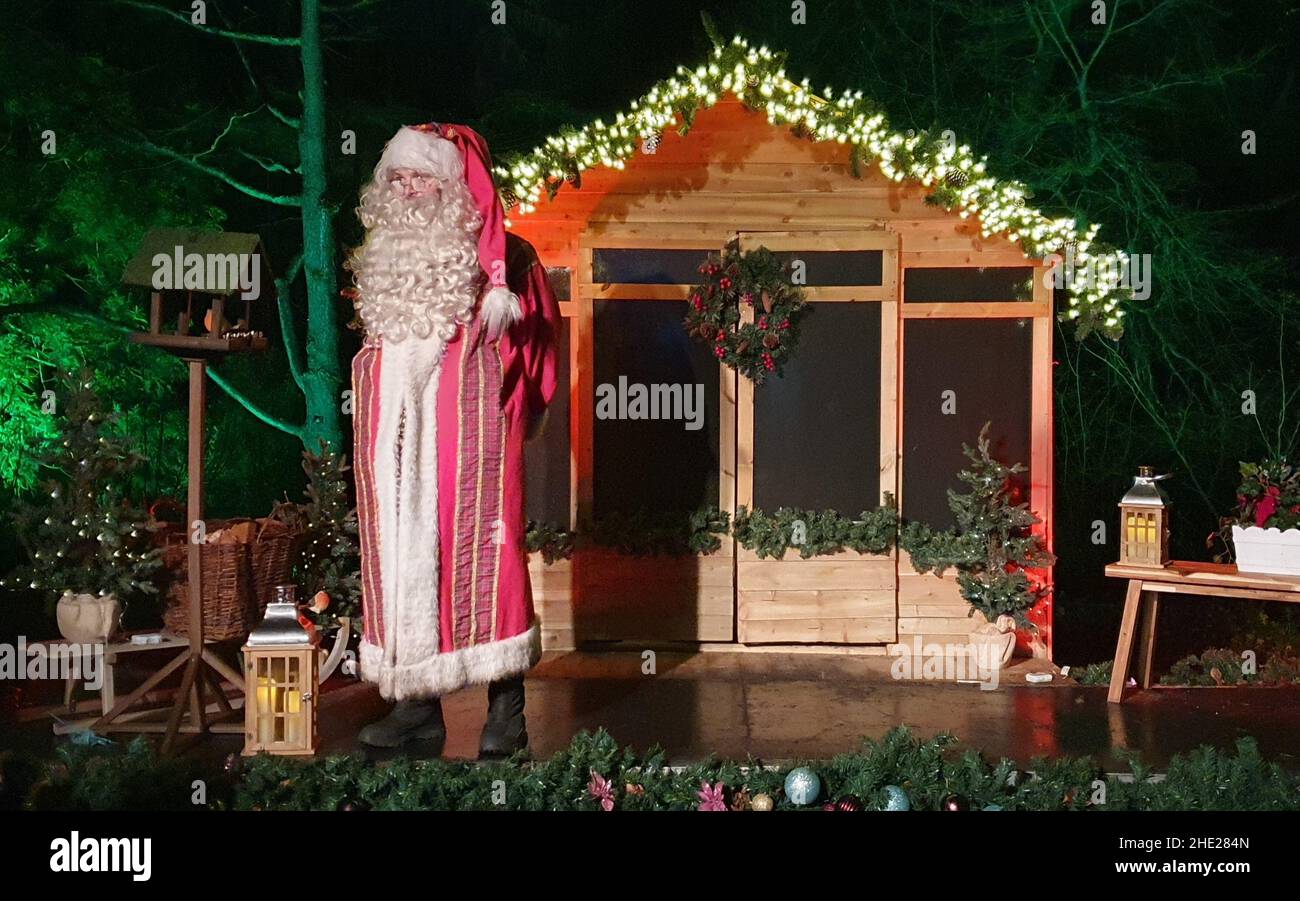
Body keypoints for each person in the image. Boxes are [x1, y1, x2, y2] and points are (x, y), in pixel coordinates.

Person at [346, 123, 559, 756]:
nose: (408, 189)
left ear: (453, 186)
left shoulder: (509, 259)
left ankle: (506, 714)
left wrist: (510, 412)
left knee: (489, 562)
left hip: (473, 441)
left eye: (422, 177)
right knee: (401, 561)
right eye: (398, 178)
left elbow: (539, 347)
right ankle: (416, 708)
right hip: (396, 446)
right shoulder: (384, 258)